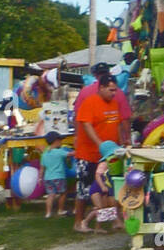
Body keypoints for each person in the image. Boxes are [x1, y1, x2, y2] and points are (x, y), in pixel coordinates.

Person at [73, 76, 121, 234]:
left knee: (107, 191)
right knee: (84, 190)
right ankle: (79, 222)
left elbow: (117, 124)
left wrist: (120, 144)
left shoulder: (114, 103)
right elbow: (86, 125)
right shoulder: (90, 102)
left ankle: (110, 221)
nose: (114, 93)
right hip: (88, 154)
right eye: (111, 90)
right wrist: (99, 143)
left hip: (107, 156)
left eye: (115, 90)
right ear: (101, 88)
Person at [74, 62, 131, 145]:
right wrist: (127, 138)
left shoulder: (84, 92)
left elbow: (77, 117)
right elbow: (125, 119)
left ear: (95, 76)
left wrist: (77, 136)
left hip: (90, 145)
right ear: (109, 73)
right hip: (110, 146)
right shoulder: (118, 93)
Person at [39, 131, 71, 218]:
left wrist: (40, 179)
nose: (61, 142)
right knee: (63, 193)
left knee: (50, 195)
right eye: (60, 140)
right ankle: (60, 210)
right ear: (56, 141)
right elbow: (70, 154)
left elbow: (42, 168)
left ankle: (48, 213)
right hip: (59, 177)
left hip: (48, 178)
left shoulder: (44, 154)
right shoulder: (59, 151)